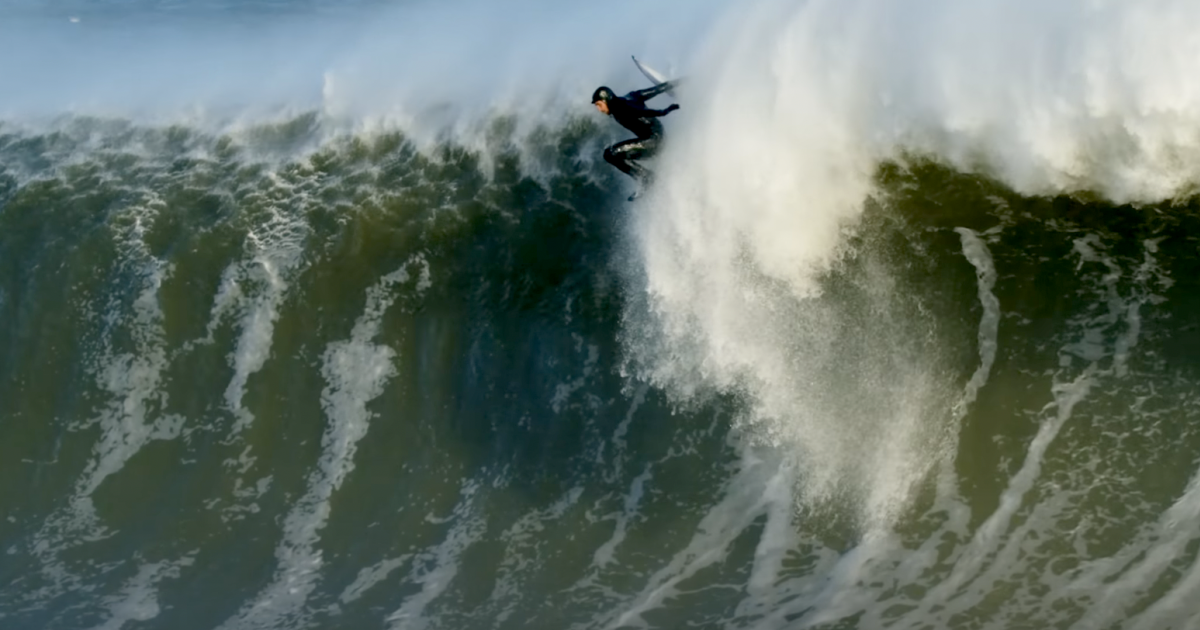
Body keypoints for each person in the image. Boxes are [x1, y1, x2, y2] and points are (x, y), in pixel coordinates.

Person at [591, 83, 679, 199]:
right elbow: (656, 90)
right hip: (657, 139)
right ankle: (647, 178)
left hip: (654, 141)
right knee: (615, 155)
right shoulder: (631, 97)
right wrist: (680, 82)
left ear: (606, 100)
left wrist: (661, 112)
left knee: (611, 154)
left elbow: (639, 112)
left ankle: (647, 178)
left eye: (599, 104)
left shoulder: (621, 108)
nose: (599, 109)